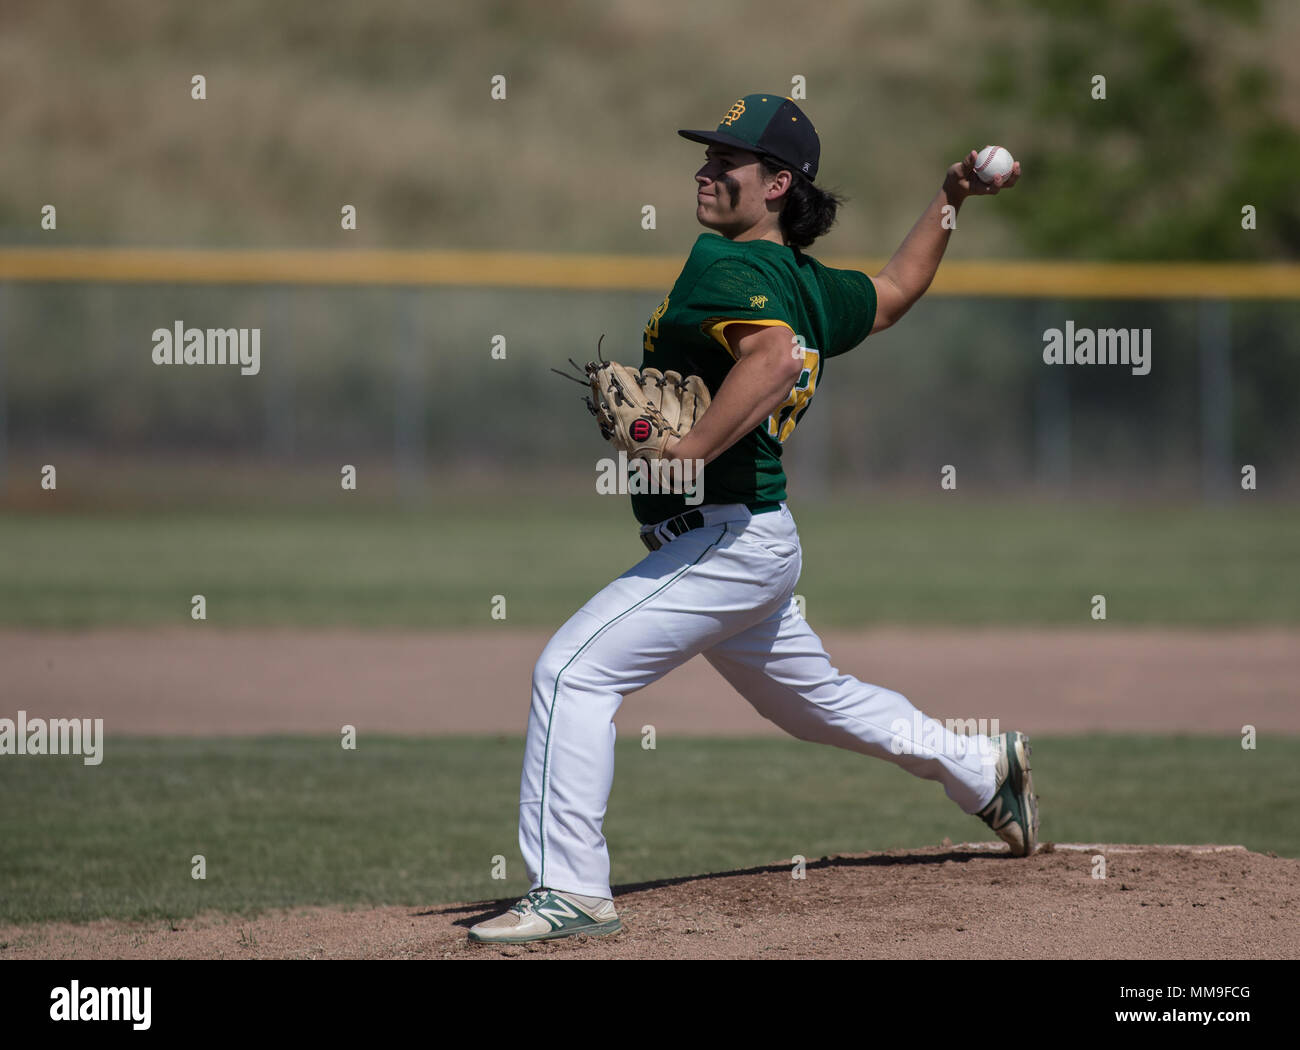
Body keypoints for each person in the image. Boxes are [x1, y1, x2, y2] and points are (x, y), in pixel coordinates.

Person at [469, 93, 1033, 945]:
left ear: (775, 184)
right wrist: (949, 199)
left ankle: (571, 891)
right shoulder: (804, 283)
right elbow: (891, 293)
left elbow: (768, 359)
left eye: (724, 161)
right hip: (752, 540)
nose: (704, 171)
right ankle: (983, 767)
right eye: (706, 156)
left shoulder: (720, 264)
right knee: (817, 705)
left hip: (723, 538)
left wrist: (692, 445)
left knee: (572, 675)